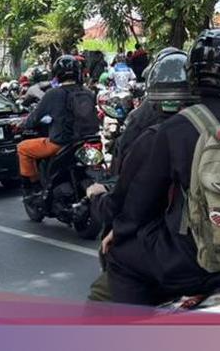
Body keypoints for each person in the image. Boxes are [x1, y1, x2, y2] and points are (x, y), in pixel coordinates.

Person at [104, 28, 220, 306]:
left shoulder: (172, 130)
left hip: (190, 266)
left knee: (119, 256)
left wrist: (119, 231)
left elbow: (140, 205)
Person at [86, 47, 195, 302]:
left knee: (100, 297)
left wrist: (116, 226)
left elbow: (133, 197)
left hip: (177, 250)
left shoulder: (153, 133)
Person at [17, 55, 99, 192]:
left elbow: (33, 119)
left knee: (22, 148)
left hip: (60, 143)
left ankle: (34, 188)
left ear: (56, 74)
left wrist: (22, 125)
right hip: (88, 141)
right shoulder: (88, 93)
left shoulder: (53, 94)